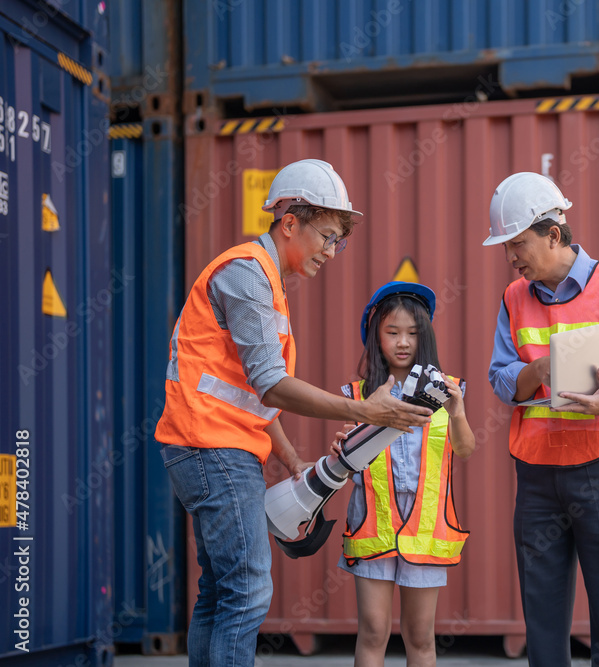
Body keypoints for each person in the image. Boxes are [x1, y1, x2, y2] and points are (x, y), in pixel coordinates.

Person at [154, 159, 433, 667]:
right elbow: (271, 384)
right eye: (327, 237)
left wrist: (285, 456)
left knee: (219, 592)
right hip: (209, 447)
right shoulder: (247, 274)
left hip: (214, 445)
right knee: (249, 590)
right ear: (289, 223)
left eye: (338, 242)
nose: (332, 251)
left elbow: (245, 391)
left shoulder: (269, 283)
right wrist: (364, 408)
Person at [485, 172, 599, 667]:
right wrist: (535, 372)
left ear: (554, 235)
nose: (511, 258)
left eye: (517, 244)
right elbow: (500, 379)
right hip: (537, 471)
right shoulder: (513, 297)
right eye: (505, 247)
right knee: (542, 619)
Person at [329, 281, 474, 667]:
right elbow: (344, 475)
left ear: (425, 337)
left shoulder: (449, 392)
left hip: (426, 532)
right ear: (376, 337)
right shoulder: (357, 396)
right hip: (372, 529)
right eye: (392, 332)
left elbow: (465, 449)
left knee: (420, 637)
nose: (403, 342)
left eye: (412, 333)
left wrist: (457, 411)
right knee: (374, 631)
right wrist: (341, 457)